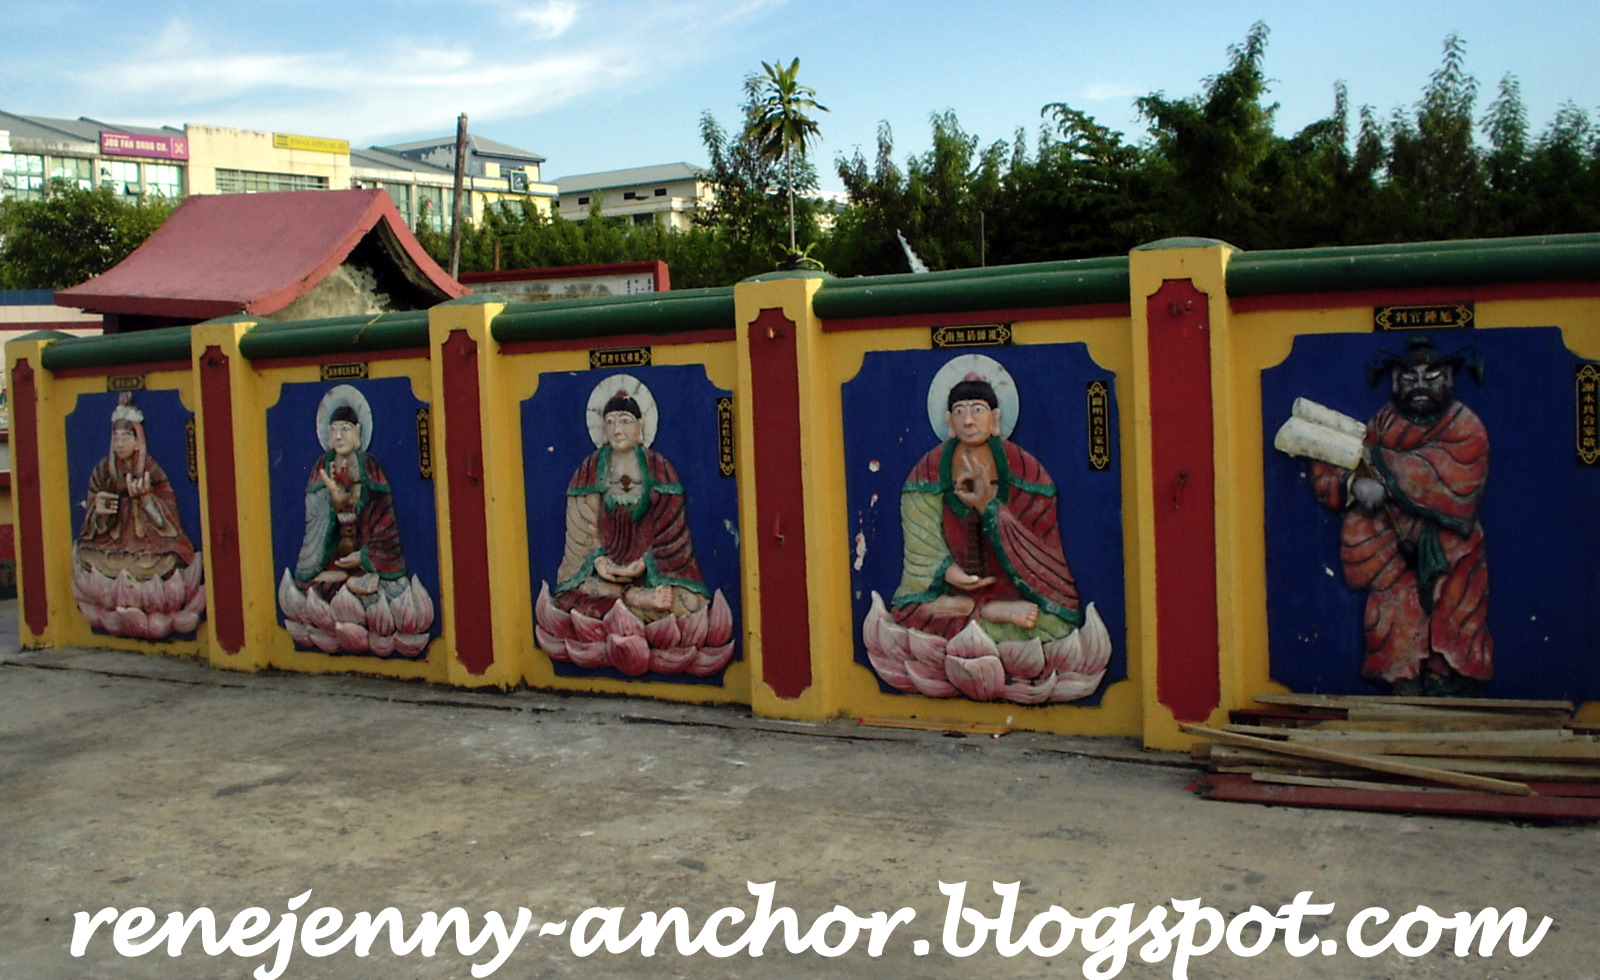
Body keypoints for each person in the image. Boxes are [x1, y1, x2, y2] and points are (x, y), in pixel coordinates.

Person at [1310, 336, 1491, 695]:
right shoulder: (1383, 421)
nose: (1420, 384)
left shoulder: (1465, 425)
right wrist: (1356, 485)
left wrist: (1378, 467)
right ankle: (1403, 687)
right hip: (1392, 547)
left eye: (1431, 375)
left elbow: (1449, 469)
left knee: (1456, 619)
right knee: (1394, 621)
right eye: (1410, 377)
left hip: (1451, 549)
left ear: (1448, 379)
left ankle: (1449, 687)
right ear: (1395, 382)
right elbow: (1352, 463)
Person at [890, 373, 1083, 643]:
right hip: (953, 590)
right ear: (949, 422)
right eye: (960, 412)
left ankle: (981, 613)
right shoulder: (926, 472)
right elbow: (921, 547)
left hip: (1013, 588)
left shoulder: (1026, 471)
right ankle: (985, 611)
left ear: (995, 419)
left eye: (978, 410)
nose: (968, 421)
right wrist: (948, 572)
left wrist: (987, 506)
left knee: (1057, 625)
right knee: (906, 613)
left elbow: (1042, 552)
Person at [554, 384, 709, 622]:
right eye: (610, 422)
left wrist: (643, 564)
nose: (617, 430)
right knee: (569, 596)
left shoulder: (660, 469)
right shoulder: (589, 471)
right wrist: (599, 561)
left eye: (625, 421)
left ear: (640, 425)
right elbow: (580, 535)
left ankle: (628, 604)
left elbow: (672, 536)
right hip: (604, 574)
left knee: (690, 603)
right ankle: (633, 598)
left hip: (652, 571)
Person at [293, 386, 411, 598]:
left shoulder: (371, 468)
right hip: (334, 560)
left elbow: (386, 527)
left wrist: (364, 557)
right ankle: (349, 588)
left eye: (345, 429)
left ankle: (359, 586)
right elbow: (315, 529)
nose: (338, 436)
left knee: (393, 588)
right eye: (334, 430)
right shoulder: (322, 467)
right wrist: (333, 502)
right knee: (311, 588)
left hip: (367, 556)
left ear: (358, 430)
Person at [77, 395, 196, 581]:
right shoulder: (103, 470)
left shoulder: (149, 468)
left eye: (125, 437)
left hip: (147, 547)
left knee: (168, 560)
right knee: (84, 554)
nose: (119, 444)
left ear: (137, 440)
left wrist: (147, 500)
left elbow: (169, 521)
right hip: (112, 547)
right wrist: (98, 511)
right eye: (116, 438)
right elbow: (91, 528)